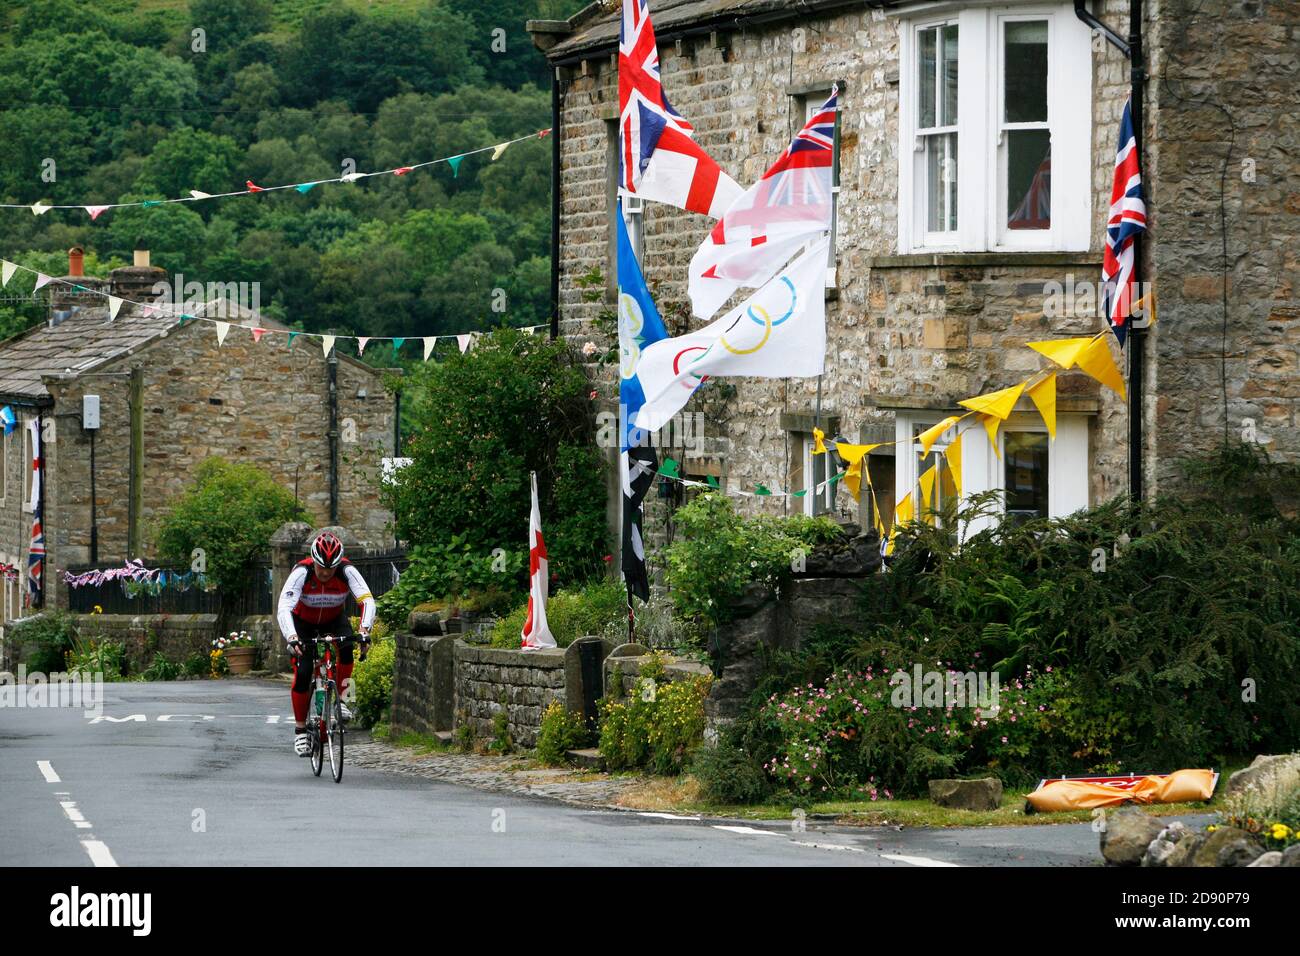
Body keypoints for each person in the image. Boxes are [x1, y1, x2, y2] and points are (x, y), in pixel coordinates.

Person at [277, 531, 375, 756]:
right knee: (303, 672)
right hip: (303, 623)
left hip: (333, 619)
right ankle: (300, 730)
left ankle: (342, 701)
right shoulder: (302, 571)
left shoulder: (346, 570)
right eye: (321, 567)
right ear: (314, 561)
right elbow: (284, 607)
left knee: (347, 649)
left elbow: (367, 599)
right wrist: (292, 637)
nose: (325, 573)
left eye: (331, 569)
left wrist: (364, 630)